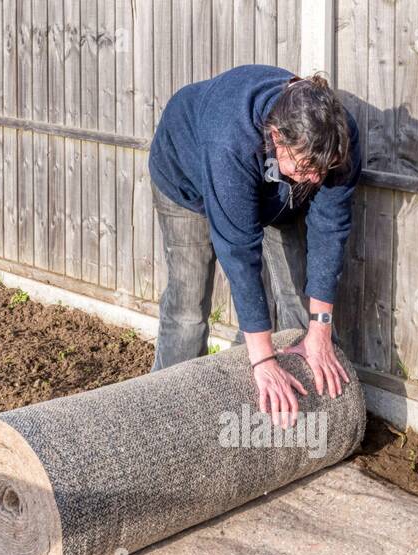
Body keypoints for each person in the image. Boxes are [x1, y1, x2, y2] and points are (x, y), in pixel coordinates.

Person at [147, 64, 362, 427]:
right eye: (309, 167)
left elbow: (331, 227)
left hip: (273, 190)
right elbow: (239, 252)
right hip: (188, 181)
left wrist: (320, 329)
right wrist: (263, 361)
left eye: (323, 170)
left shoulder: (335, 137)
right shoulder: (228, 136)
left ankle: (288, 406)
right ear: (278, 136)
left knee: (297, 293)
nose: (316, 179)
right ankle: (166, 415)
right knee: (189, 303)